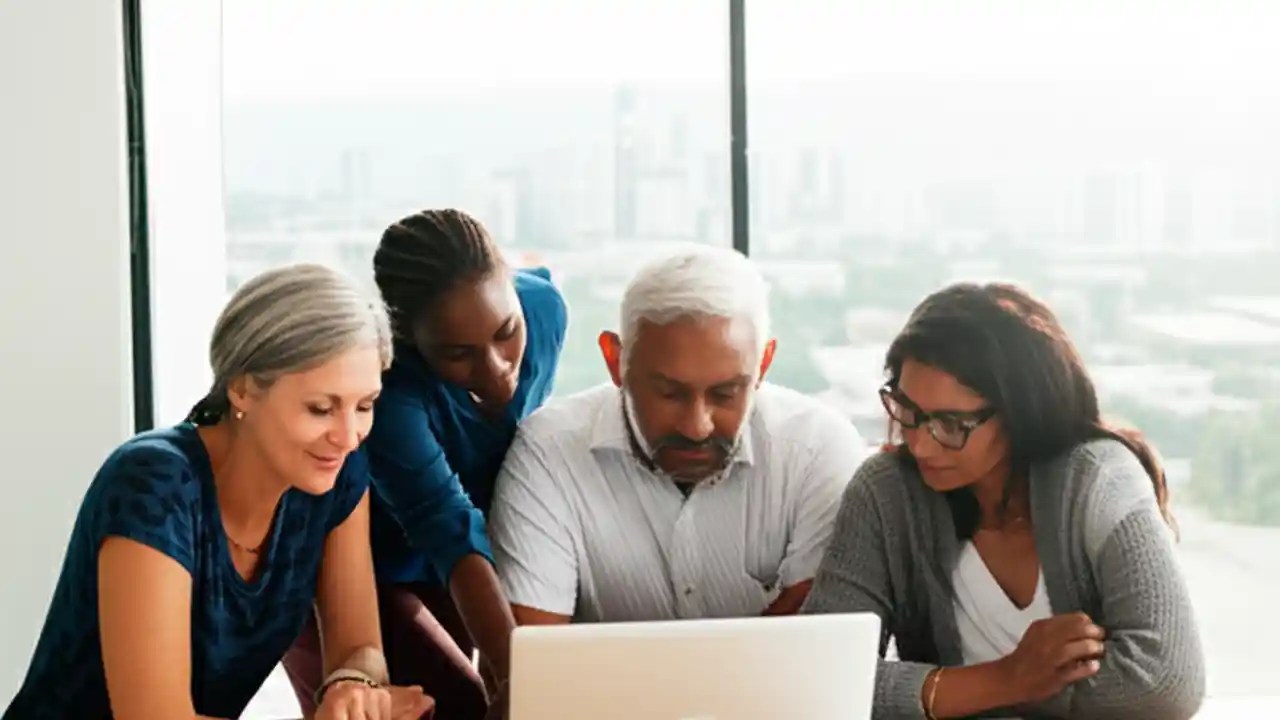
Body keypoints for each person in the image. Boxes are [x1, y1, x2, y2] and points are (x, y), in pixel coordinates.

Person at [3, 264, 434, 720]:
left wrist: (354, 683)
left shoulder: (335, 473)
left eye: (364, 406)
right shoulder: (152, 483)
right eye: (321, 408)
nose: (348, 436)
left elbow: (359, 645)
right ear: (243, 389)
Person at [803, 282, 1206, 720]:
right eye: (907, 410)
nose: (920, 444)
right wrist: (1008, 679)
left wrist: (952, 694)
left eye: (951, 423)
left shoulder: (1099, 479)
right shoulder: (885, 493)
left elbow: (1167, 686)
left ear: (1020, 413)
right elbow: (822, 675)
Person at [282, 209, 567, 720]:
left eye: (506, 331)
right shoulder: (391, 392)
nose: (497, 370)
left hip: (456, 566)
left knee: (492, 700)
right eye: (458, 354)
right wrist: (527, 678)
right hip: (355, 569)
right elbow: (444, 521)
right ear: (408, 341)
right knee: (455, 708)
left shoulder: (545, 312)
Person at [487, 246, 865, 626]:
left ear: (763, 363)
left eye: (725, 394)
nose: (696, 427)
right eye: (669, 394)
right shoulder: (549, 453)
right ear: (615, 361)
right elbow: (532, 664)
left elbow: (816, 651)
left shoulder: (819, 451)